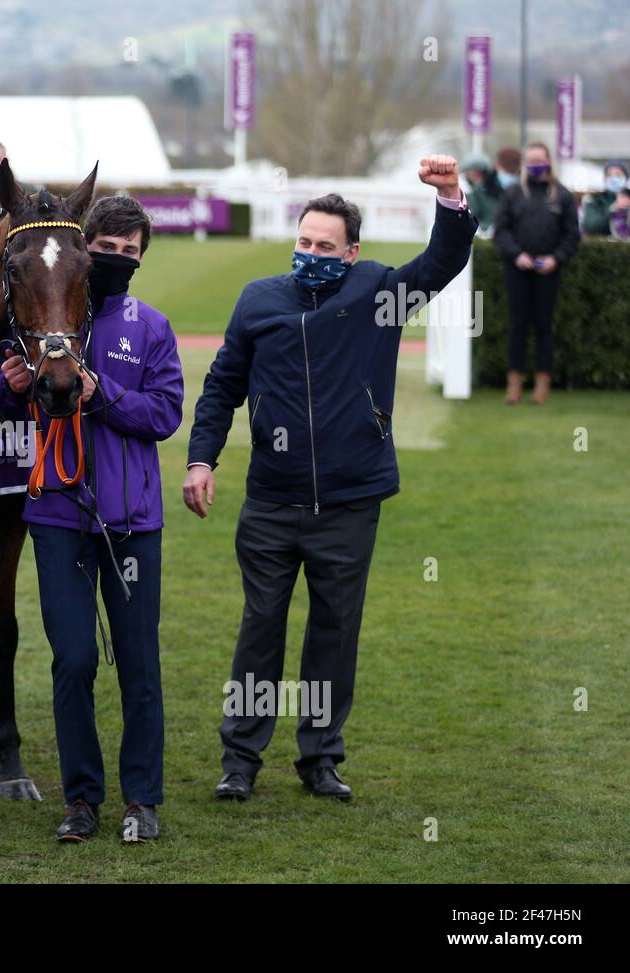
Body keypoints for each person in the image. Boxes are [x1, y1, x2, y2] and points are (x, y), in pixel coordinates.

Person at [183, 156, 476, 803]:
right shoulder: (258, 300)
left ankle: (319, 757)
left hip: (349, 500)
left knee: (334, 633)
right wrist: (201, 459)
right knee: (260, 627)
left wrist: (451, 196)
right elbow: (223, 386)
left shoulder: (377, 291)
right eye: (303, 242)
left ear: (351, 253)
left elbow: (442, 263)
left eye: (324, 246)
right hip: (270, 499)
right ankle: (240, 758)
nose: (310, 254)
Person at [0, 195, 184, 842]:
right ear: (82, 248)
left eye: (130, 251)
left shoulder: (151, 327)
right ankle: (81, 799)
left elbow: (165, 414)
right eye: (106, 248)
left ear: (142, 257)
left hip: (132, 522)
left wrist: (105, 393)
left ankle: (142, 800)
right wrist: (10, 385)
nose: (117, 258)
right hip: (57, 515)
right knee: (72, 661)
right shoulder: (35, 317)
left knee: (138, 664)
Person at [492, 142, 580, 405]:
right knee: (518, 325)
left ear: (549, 160)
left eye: (539, 160)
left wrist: (556, 258)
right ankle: (514, 384)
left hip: (548, 271)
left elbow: (572, 235)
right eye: (530, 161)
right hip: (517, 269)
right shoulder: (513, 194)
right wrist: (517, 254)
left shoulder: (562, 195)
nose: (535, 165)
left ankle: (542, 385)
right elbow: (501, 231)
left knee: (544, 326)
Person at [581, 161, 629, 237]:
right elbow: (590, 226)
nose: (614, 179)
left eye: (618, 175)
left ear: (626, 178)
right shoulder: (595, 201)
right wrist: (612, 210)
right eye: (609, 175)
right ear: (604, 179)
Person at [461, 154, 501, 232]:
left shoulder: (493, 191)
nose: (476, 179)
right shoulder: (468, 194)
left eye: (478, 175)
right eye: (472, 175)